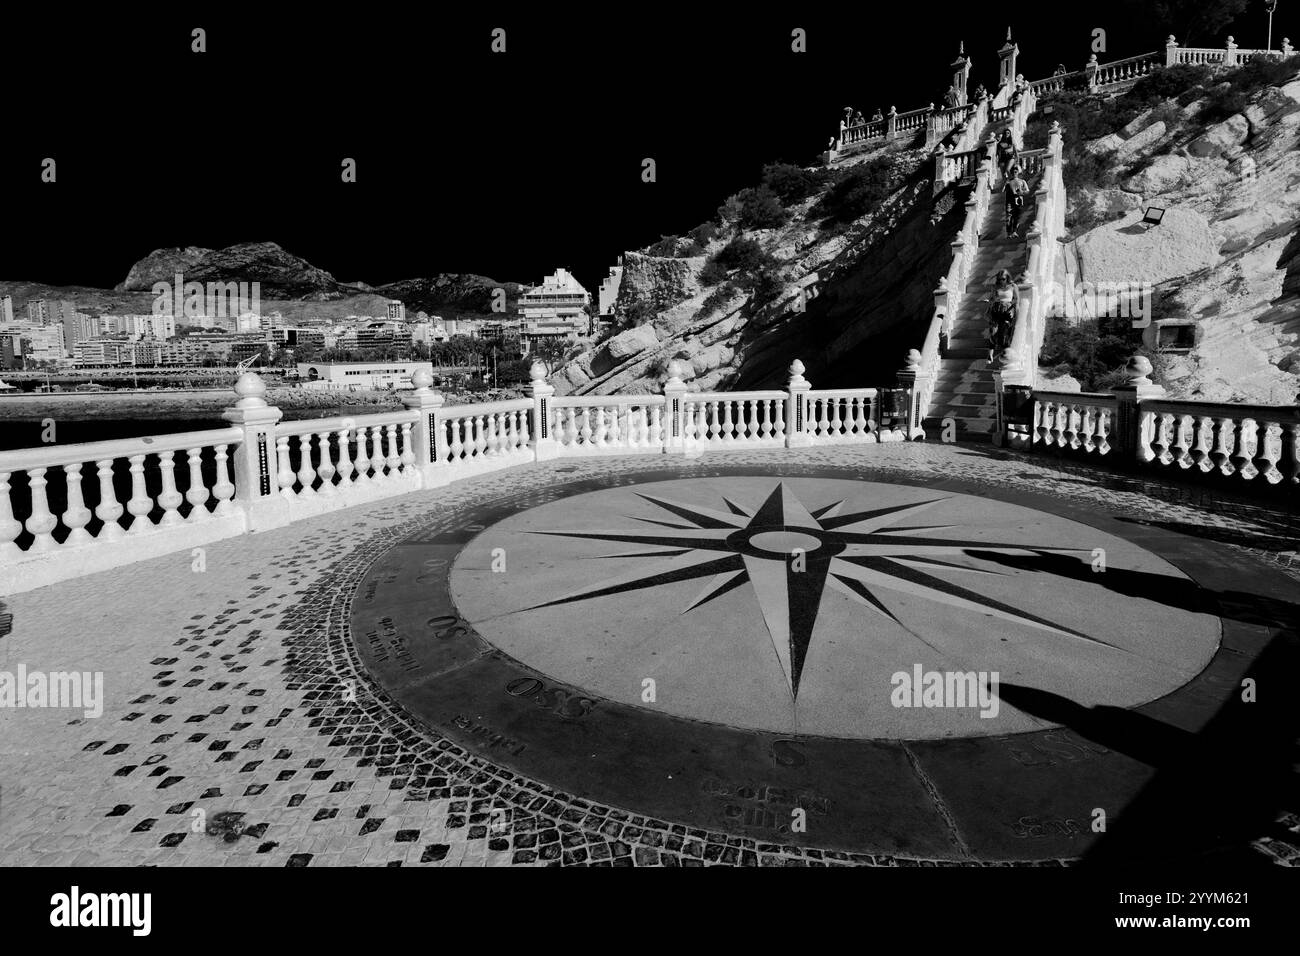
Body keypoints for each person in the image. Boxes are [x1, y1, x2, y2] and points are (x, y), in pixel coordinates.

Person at [985, 270, 1018, 361]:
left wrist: (1013, 309)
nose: (1001, 281)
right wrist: (989, 301)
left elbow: (1017, 300)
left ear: (1007, 278)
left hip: (1007, 311)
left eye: (1003, 279)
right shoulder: (996, 287)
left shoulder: (1013, 286)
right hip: (996, 309)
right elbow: (992, 298)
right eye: (999, 279)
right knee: (993, 331)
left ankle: (1005, 354)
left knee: (1004, 332)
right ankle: (990, 355)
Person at [1004, 164, 1029, 238]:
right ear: (1011, 173)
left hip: (1018, 200)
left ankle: (1014, 231)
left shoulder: (1022, 181)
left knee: (1017, 217)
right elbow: (1004, 191)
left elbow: (1027, 190)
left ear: (1018, 172)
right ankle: (1009, 233)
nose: (1014, 173)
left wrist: (1022, 192)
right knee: (1009, 217)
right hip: (1010, 200)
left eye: (1016, 171)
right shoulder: (1008, 182)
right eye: (1013, 172)